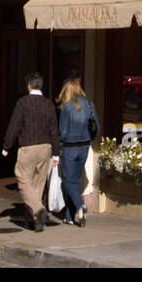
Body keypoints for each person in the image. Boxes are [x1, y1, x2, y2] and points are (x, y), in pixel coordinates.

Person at [2, 71, 60, 232]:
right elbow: (54, 129)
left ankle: (38, 209)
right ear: (40, 86)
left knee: (22, 177)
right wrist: (56, 152)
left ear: (28, 87)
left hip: (28, 146)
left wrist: (6, 147)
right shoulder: (48, 104)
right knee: (38, 182)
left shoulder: (23, 103)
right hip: (46, 147)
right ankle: (33, 218)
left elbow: (14, 125)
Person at [56, 76, 99, 227]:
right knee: (74, 181)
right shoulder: (89, 104)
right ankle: (69, 216)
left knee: (68, 181)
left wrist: (58, 143)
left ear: (66, 90)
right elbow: (96, 127)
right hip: (84, 146)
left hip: (69, 147)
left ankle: (80, 205)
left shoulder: (66, 107)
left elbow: (62, 131)